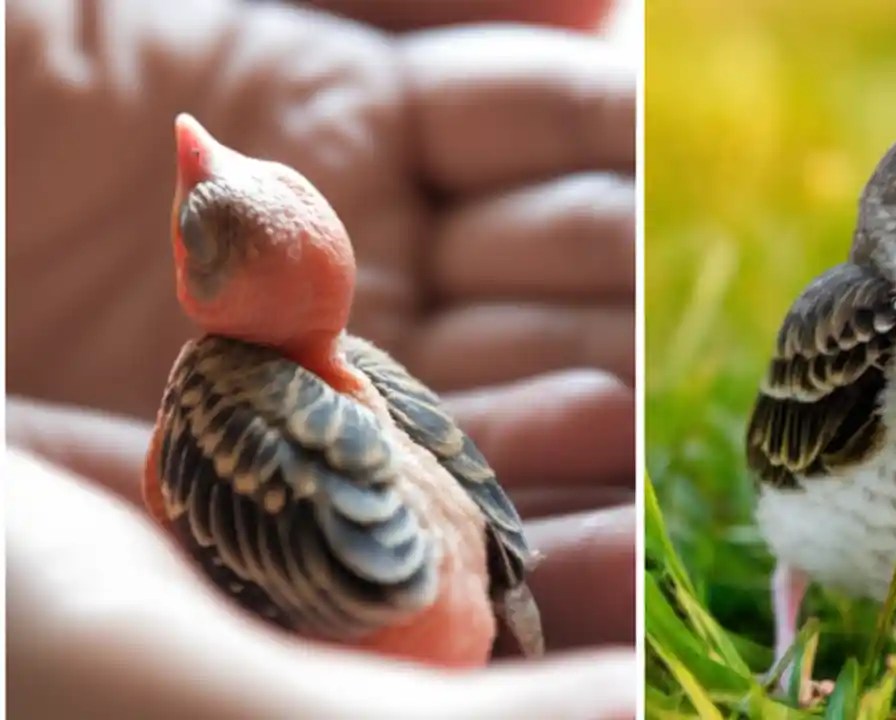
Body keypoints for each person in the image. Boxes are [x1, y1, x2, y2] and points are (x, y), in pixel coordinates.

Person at [6, 0, 637, 717]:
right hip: (470, 620)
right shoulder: (359, 365)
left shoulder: (207, 399)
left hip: (386, 636)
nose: (193, 146)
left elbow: (250, 560)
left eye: (193, 229)